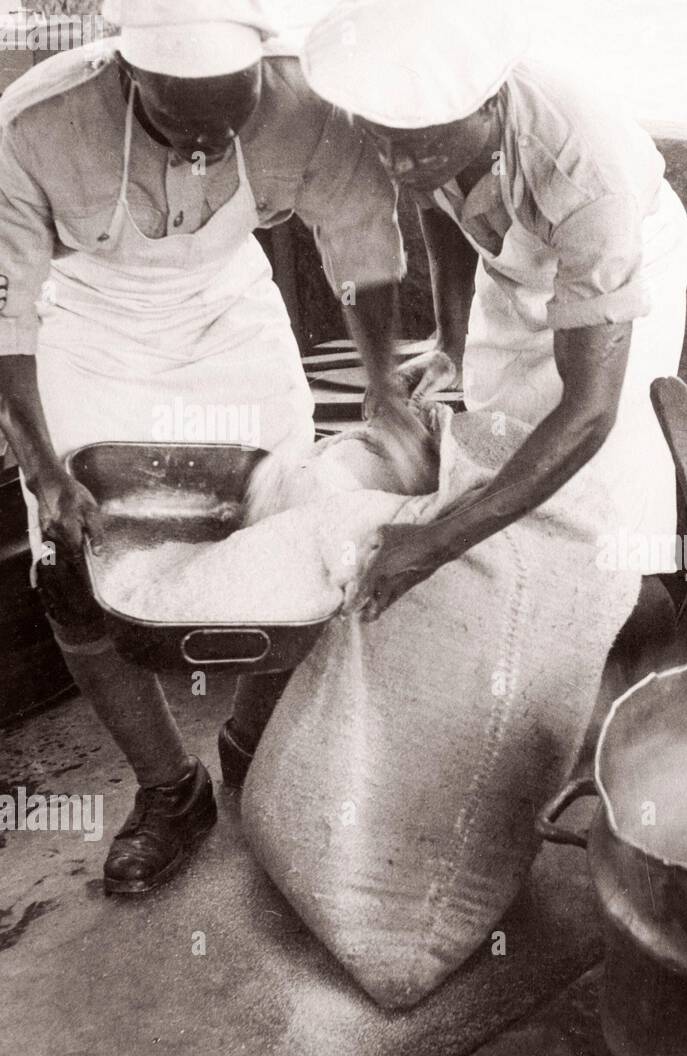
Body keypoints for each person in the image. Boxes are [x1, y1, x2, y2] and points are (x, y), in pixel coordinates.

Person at [0, 0, 413, 895]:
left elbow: (360, 236)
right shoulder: (36, 124)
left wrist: (383, 387)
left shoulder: (306, 104)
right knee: (71, 569)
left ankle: (251, 743)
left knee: (293, 542)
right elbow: (8, 318)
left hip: (230, 316)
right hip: (91, 327)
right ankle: (169, 787)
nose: (201, 149)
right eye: (180, 125)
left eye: (228, 121)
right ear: (128, 73)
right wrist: (40, 467)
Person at [300, 0, 687, 645]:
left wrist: (431, 545)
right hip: (513, 254)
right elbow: (439, 204)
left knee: (608, 488)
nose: (396, 166)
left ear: (489, 105)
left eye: (416, 146)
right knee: (496, 446)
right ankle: (520, 615)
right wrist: (449, 343)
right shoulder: (422, 125)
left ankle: (634, 631)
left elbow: (589, 411)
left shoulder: (588, 173)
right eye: (383, 142)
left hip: (618, 265)